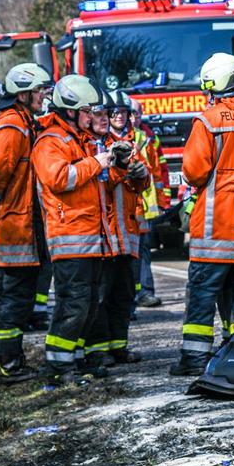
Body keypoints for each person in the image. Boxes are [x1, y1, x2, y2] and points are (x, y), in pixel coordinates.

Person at [170, 53, 234, 377]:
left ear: (215, 84)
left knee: (202, 297)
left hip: (214, 232)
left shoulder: (209, 120)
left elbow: (194, 171)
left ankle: (194, 359)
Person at [31, 75, 118, 384]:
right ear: (70, 110)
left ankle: (76, 359)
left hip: (89, 238)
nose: (91, 117)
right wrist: (96, 163)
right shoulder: (51, 141)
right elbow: (59, 179)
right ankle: (57, 368)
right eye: (86, 111)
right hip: (70, 238)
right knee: (73, 305)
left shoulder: (79, 139)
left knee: (88, 303)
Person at [0, 63, 53, 385]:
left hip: (16, 224)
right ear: (23, 94)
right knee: (15, 302)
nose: (44, 96)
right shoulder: (13, 127)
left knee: (4, 300)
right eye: (39, 91)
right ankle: (10, 366)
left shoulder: (23, 123)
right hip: (16, 226)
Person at [86, 91, 147, 367]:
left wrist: (142, 175)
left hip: (124, 235)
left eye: (109, 114)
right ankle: (98, 351)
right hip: (101, 237)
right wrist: (120, 167)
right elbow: (101, 182)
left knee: (123, 294)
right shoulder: (89, 148)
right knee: (100, 296)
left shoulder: (123, 145)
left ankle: (119, 347)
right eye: (102, 114)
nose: (107, 119)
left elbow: (141, 180)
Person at [127, 98, 167, 308]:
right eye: (130, 114)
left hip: (143, 206)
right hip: (126, 207)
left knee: (143, 251)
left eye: (136, 114)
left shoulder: (148, 138)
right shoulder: (115, 138)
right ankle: (131, 296)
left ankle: (145, 292)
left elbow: (159, 172)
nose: (133, 118)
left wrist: (162, 202)